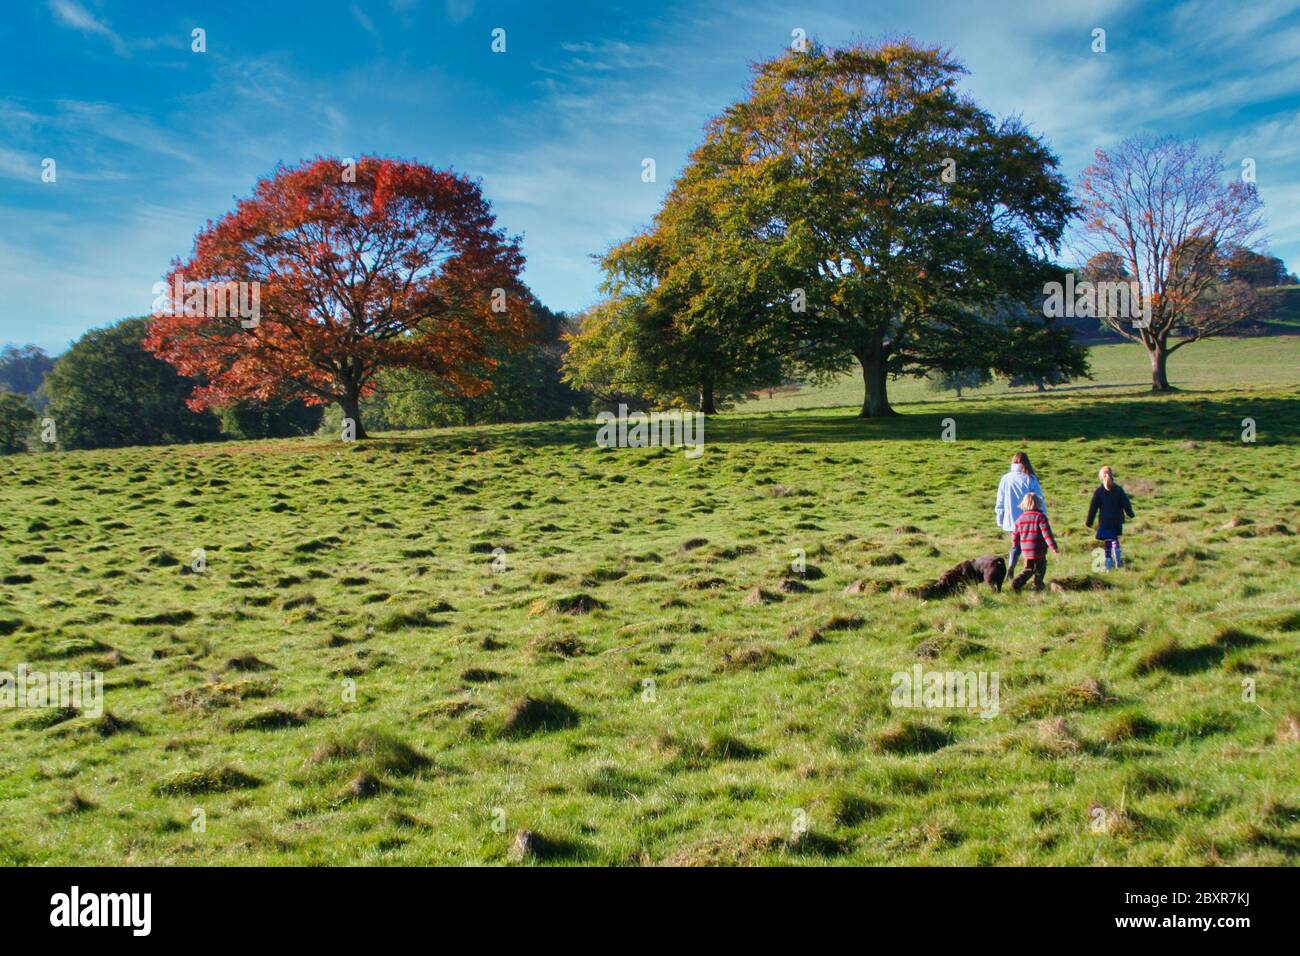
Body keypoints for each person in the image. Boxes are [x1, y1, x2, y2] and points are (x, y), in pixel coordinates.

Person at [995, 451, 1046, 574]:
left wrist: (1000, 519)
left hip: (1011, 520)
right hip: (1029, 520)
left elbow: (1000, 501)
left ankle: (1011, 567)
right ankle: (1027, 572)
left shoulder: (1005, 478)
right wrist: (1043, 516)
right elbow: (1039, 499)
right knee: (1029, 547)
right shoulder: (1030, 478)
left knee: (1015, 546)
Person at [1086, 465, 1135, 571]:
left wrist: (1089, 522)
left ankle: (1108, 564)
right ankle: (1118, 559)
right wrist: (1130, 514)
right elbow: (1126, 504)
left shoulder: (1099, 491)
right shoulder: (1119, 490)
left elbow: (1093, 508)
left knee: (1107, 541)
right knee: (1114, 538)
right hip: (1117, 520)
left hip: (1104, 521)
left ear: (1101, 477)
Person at [1010, 492, 1059, 592]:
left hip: (1026, 551)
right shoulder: (1041, 517)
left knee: (1028, 569)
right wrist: (1053, 547)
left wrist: (1015, 545)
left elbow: (1015, 535)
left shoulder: (1020, 519)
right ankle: (1038, 585)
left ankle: (1018, 580)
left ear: (1024, 504)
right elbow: (1047, 534)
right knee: (1040, 568)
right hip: (1039, 550)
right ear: (1038, 504)